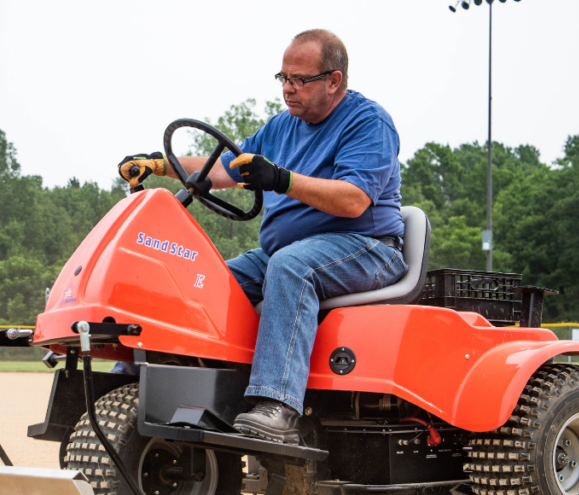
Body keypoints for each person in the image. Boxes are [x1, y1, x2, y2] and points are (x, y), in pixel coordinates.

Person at [118, 29, 406, 444]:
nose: (288, 89)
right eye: (283, 78)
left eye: (300, 80)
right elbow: (221, 169)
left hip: (366, 248)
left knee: (291, 267)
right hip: (285, 250)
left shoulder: (368, 122)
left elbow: (354, 201)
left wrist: (281, 179)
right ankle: (132, 380)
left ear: (333, 80)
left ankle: (278, 406)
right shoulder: (281, 127)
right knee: (204, 280)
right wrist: (159, 165)